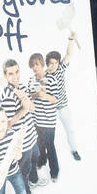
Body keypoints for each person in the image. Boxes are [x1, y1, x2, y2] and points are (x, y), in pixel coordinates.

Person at [0, 59, 42, 192]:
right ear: (5, 76)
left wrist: (26, 100)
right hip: (22, 142)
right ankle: (26, 192)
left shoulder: (21, 86)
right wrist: (23, 109)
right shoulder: (7, 96)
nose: (15, 76)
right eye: (10, 73)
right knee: (25, 169)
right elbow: (8, 124)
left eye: (17, 72)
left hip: (32, 135)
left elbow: (33, 108)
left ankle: (34, 180)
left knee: (35, 159)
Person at [25, 53, 60, 183]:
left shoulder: (51, 79)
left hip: (49, 120)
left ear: (42, 64)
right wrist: (37, 94)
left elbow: (55, 99)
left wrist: (44, 95)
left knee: (50, 145)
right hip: (36, 120)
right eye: (32, 65)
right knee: (39, 145)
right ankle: (41, 161)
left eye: (37, 64)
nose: (35, 67)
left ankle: (54, 172)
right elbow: (29, 97)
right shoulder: (31, 80)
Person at [44, 35, 80, 162]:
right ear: (47, 63)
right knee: (48, 136)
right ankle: (46, 157)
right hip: (50, 110)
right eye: (51, 63)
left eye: (56, 63)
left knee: (70, 130)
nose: (54, 65)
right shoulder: (43, 77)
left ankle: (74, 150)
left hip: (63, 108)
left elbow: (69, 54)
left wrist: (71, 40)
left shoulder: (60, 69)